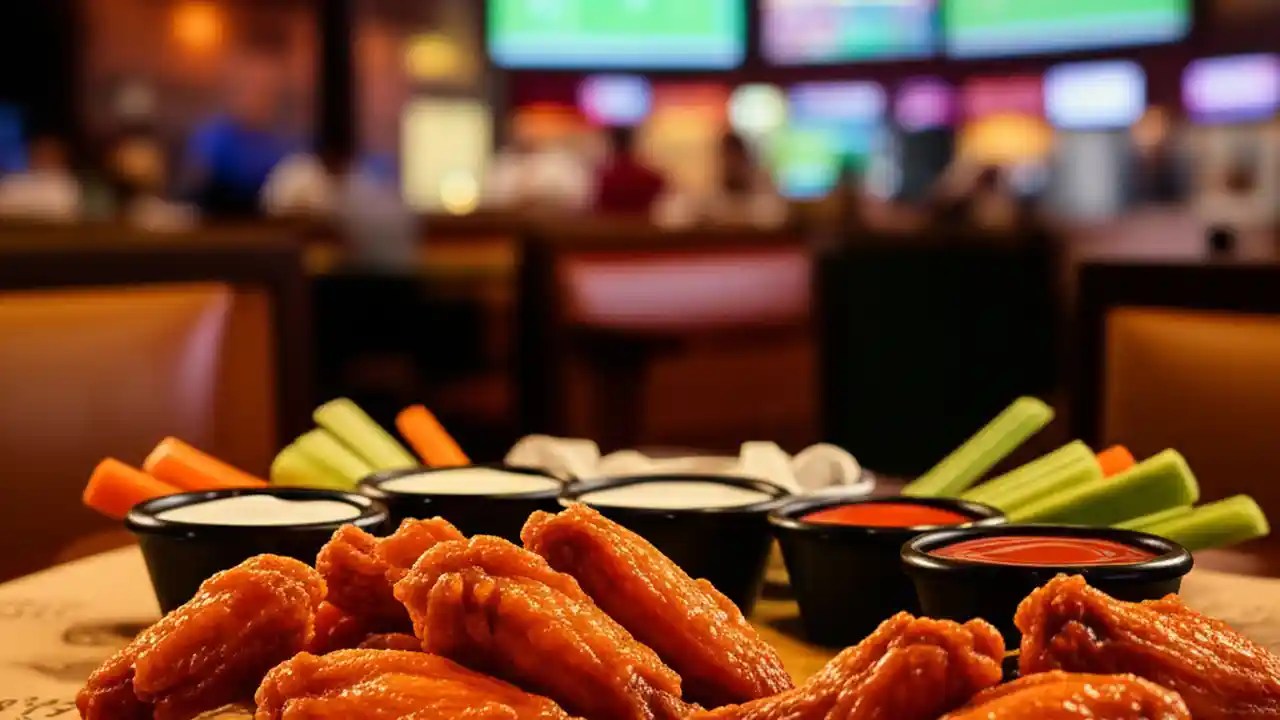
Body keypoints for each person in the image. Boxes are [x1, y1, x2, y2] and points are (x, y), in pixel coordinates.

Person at [179, 32, 298, 217]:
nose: (257, 95)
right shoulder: (213, 139)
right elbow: (191, 196)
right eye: (251, 84)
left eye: (266, 88)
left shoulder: (287, 144)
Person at [654, 132, 786, 228]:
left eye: (736, 158)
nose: (732, 164)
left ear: (746, 160)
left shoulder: (764, 191)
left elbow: (775, 218)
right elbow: (668, 218)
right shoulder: (705, 193)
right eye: (727, 157)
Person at [0, 135, 82, 221]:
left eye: (50, 154)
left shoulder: (66, 184)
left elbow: (60, 210)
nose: (45, 157)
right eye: (40, 152)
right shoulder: (14, 181)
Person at [594, 126, 666, 215]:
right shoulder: (648, 177)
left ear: (612, 144)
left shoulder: (602, 177)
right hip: (642, 226)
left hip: (608, 226)